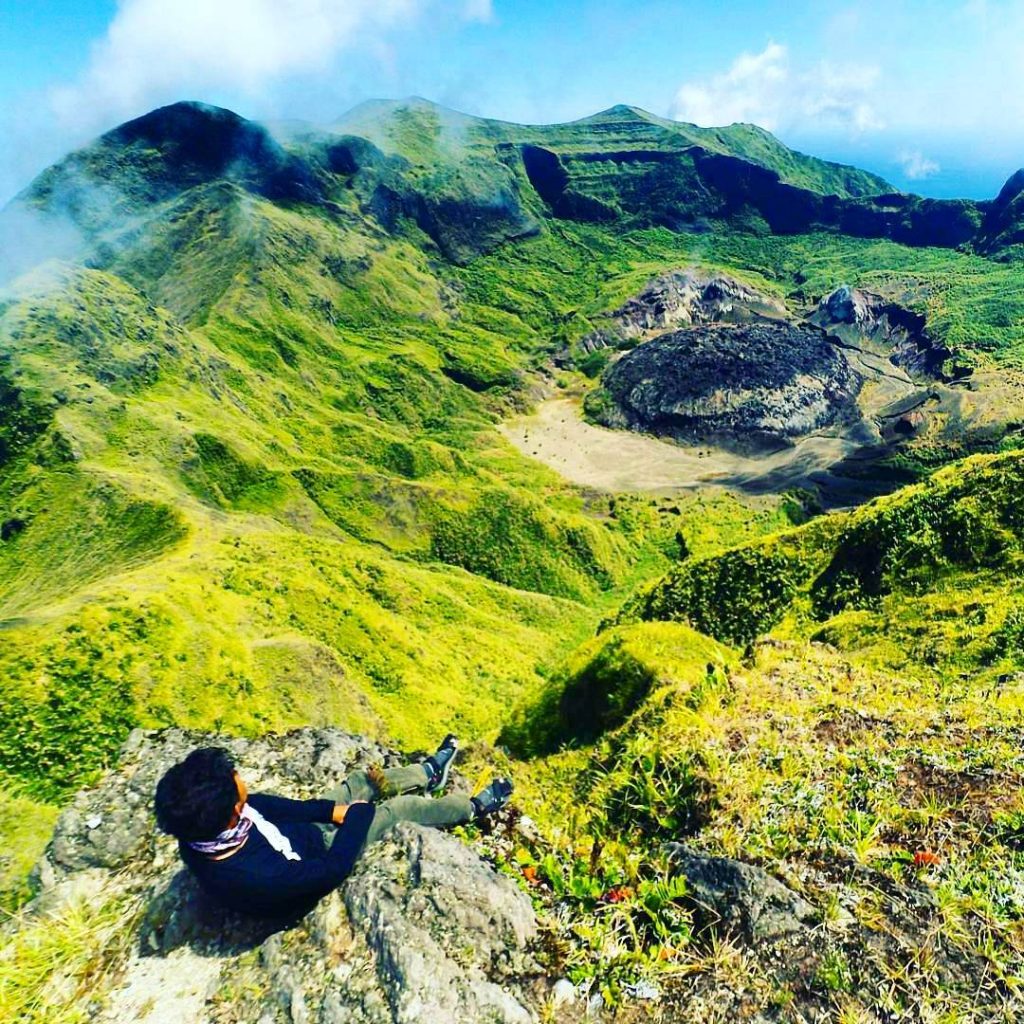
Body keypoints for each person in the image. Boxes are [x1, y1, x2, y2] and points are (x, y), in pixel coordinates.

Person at [153, 735, 513, 916]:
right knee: (398, 810)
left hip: (304, 836)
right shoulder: (253, 876)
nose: (238, 775)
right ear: (230, 809)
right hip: (322, 855)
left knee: (361, 781)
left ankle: (426, 772)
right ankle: (472, 807)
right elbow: (331, 871)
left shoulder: (204, 830)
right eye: (235, 779)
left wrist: (330, 812)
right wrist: (355, 819)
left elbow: (270, 807)